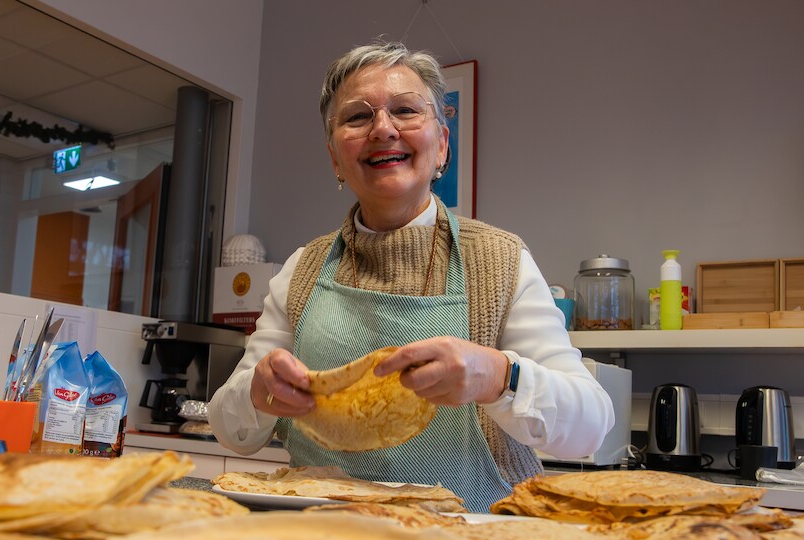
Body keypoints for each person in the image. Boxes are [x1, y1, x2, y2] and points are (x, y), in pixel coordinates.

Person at [209, 41, 613, 512]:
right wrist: (259, 392)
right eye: (357, 118)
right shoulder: (301, 271)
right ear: (335, 158)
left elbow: (592, 424)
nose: (383, 128)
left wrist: (498, 377)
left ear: (441, 144)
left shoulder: (500, 261)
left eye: (404, 110)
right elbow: (229, 428)